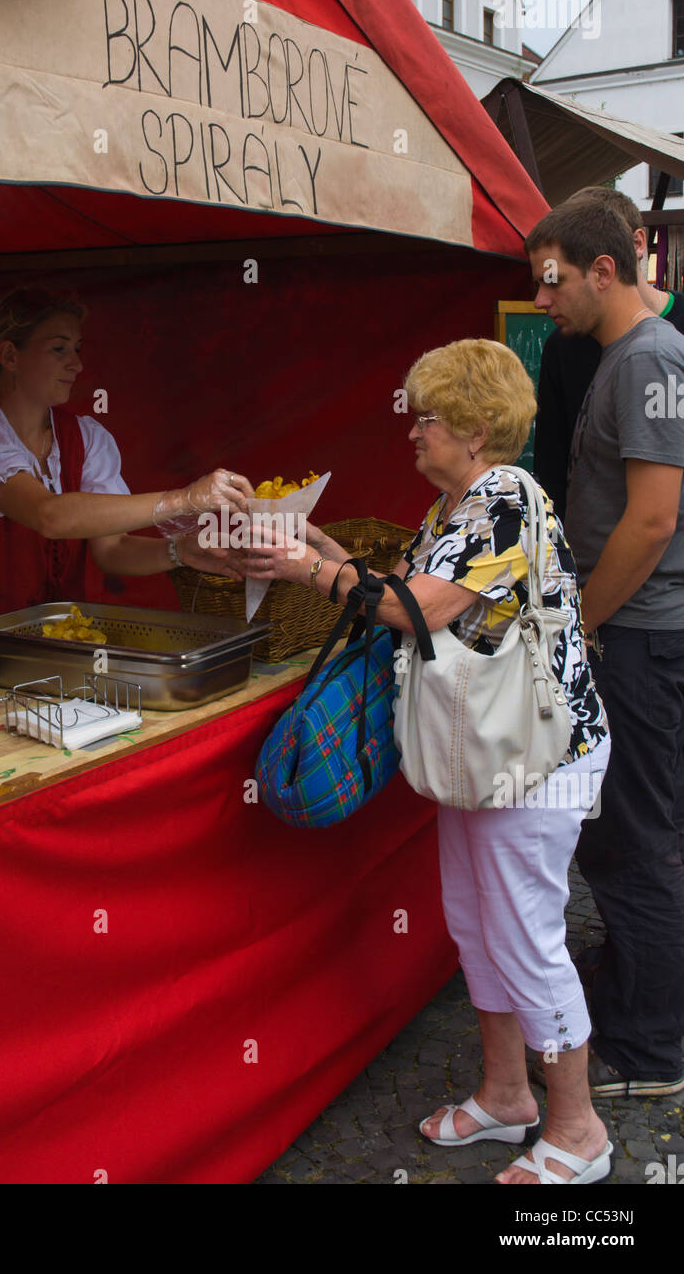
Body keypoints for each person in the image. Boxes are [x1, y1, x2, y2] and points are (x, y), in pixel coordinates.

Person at [243, 337, 612, 1185]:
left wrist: (307, 569)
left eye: (429, 417)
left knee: (525, 933)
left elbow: (417, 610)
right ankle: (504, 1095)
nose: (410, 430)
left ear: (477, 429)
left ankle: (578, 1129)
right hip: (476, 753)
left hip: (534, 756)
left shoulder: (506, 497)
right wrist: (316, 545)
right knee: (476, 923)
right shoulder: (454, 507)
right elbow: (392, 588)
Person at [526, 200, 684, 1098]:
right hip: (626, 629)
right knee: (621, 831)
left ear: (601, 269)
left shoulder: (648, 358)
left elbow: (654, 517)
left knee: (632, 836)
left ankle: (645, 1048)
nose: (541, 300)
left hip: (633, 634)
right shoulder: (625, 358)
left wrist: (581, 619)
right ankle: (632, 987)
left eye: (551, 280)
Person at [0, 287, 248, 672]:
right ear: (10, 355)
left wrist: (179, 551)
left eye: (78, 349)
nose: (77, 365)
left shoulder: (85, 437)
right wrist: (184, 499)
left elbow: (112, 551)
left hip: (62, 659)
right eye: (59, 349)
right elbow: (50, 516)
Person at [534, 185, 684, 522]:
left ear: (636, 245)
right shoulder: (565, 344)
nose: (541, 300)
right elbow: (554, 466)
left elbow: (653, 520)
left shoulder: (656, 351)